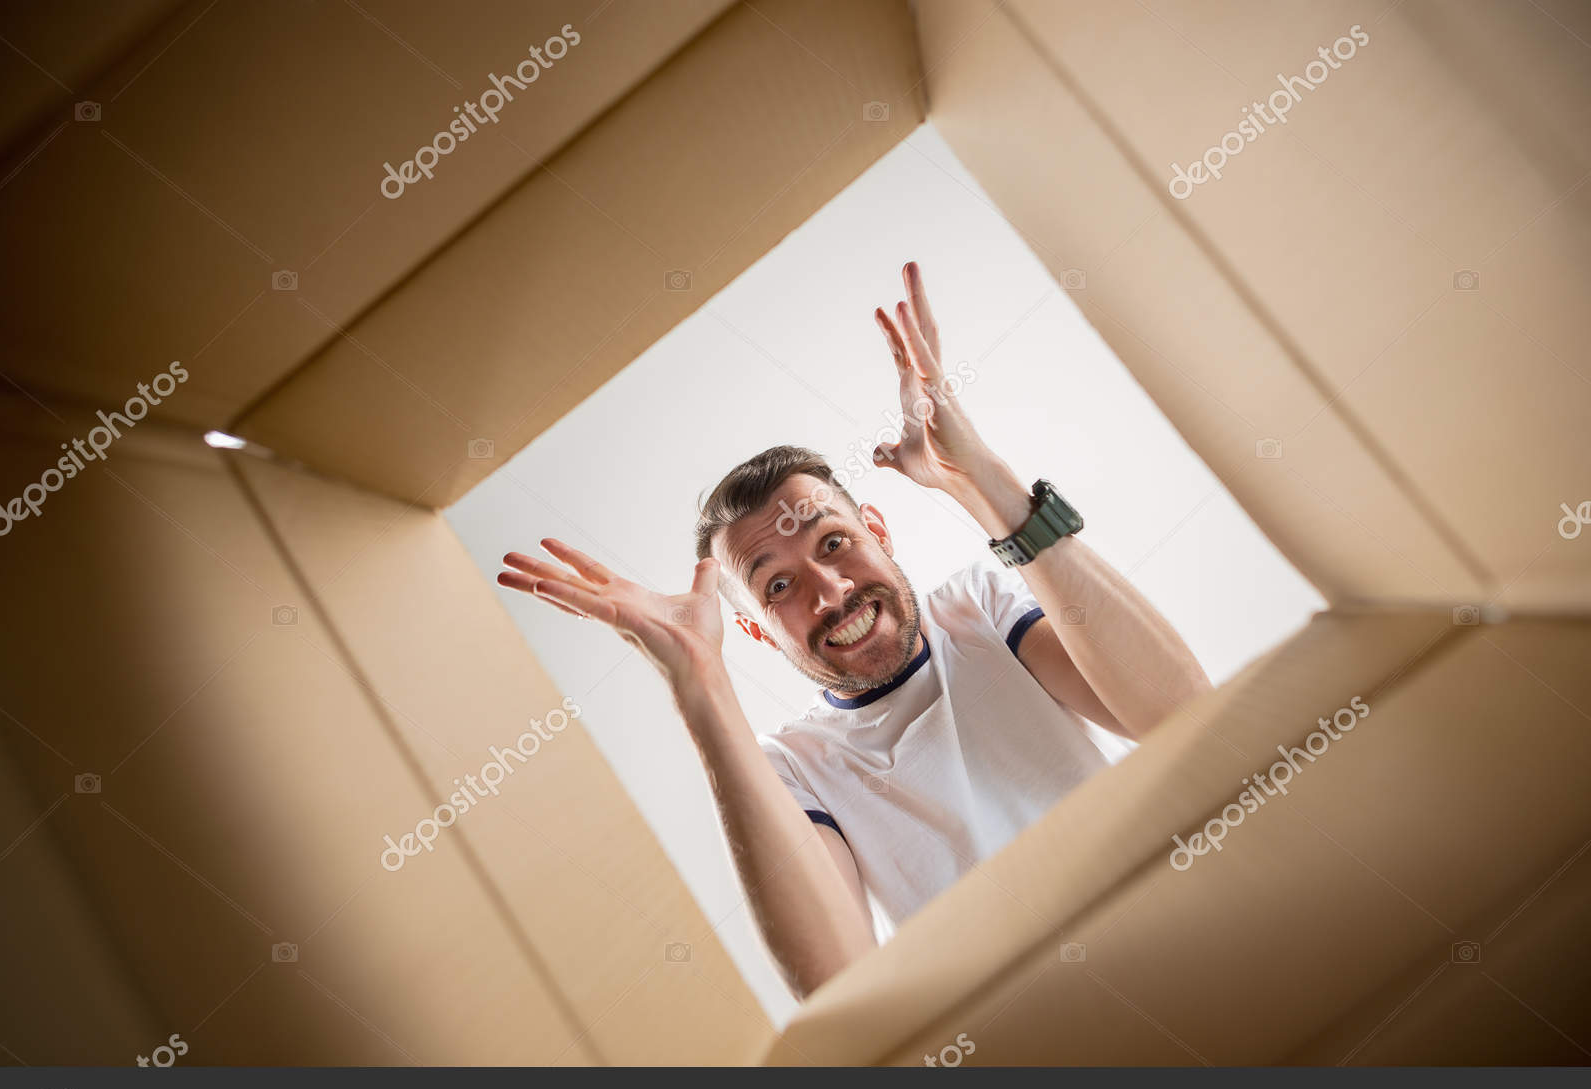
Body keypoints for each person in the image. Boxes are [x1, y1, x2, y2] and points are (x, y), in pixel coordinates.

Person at [498, 262, 1211, 1000]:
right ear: (754, 627)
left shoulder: (979, 609)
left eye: (833, 543)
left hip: (1190, 957)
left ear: (877, 530)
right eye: (780, 584)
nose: (830, 591)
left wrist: (982, 476)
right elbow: (836, 981)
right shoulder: (796, 769)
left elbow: (1184, 714)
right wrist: (697, 681)